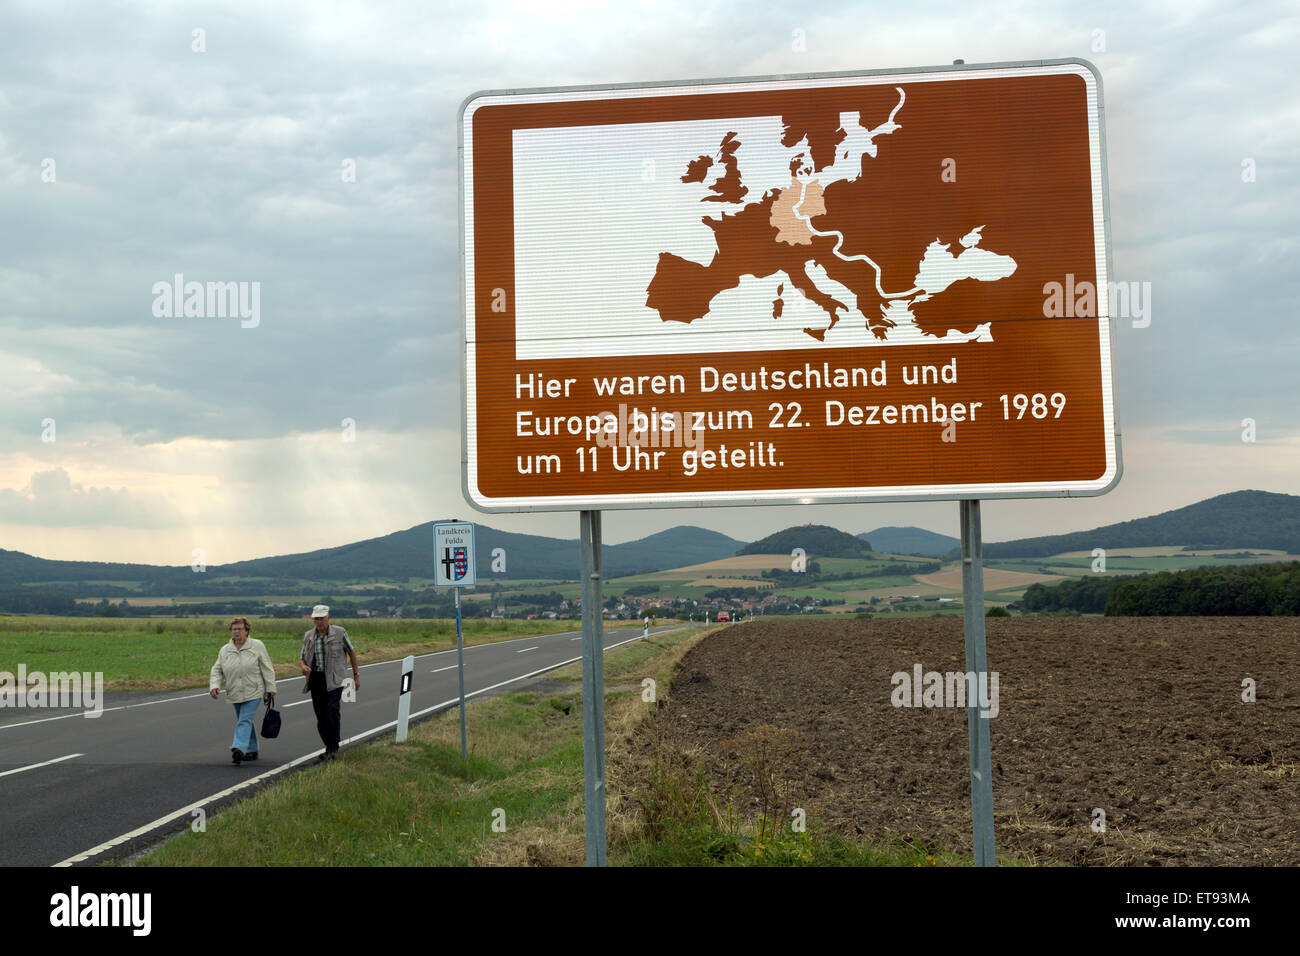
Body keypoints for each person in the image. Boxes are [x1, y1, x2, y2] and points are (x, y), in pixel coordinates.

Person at [209, 617, 277, 765]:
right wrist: (214, 685)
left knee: (244, 719)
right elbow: (217, 669)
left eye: (240, 629)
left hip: (254, 690)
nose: (237, 632)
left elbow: (267, 667)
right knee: (245, 720)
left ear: (247, 631)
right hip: (234, 691)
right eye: (234, 629)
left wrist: (270, 687)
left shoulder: (257, 646)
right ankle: (252, 750)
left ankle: (238, 748)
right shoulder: (225, 650)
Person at [300, 605, 360, 761]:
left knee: (332, 711)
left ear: (328, 617)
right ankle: (329, 746)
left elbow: (351, 652)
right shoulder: (308, 636)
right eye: (316, 619)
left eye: (322, 618)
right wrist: (304, 666)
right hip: (316, 679)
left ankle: (333, 747)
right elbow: (302, 657)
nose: (319, 622)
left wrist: (356, 675)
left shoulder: (340, 633)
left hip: (335, 679)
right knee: (321, 716)